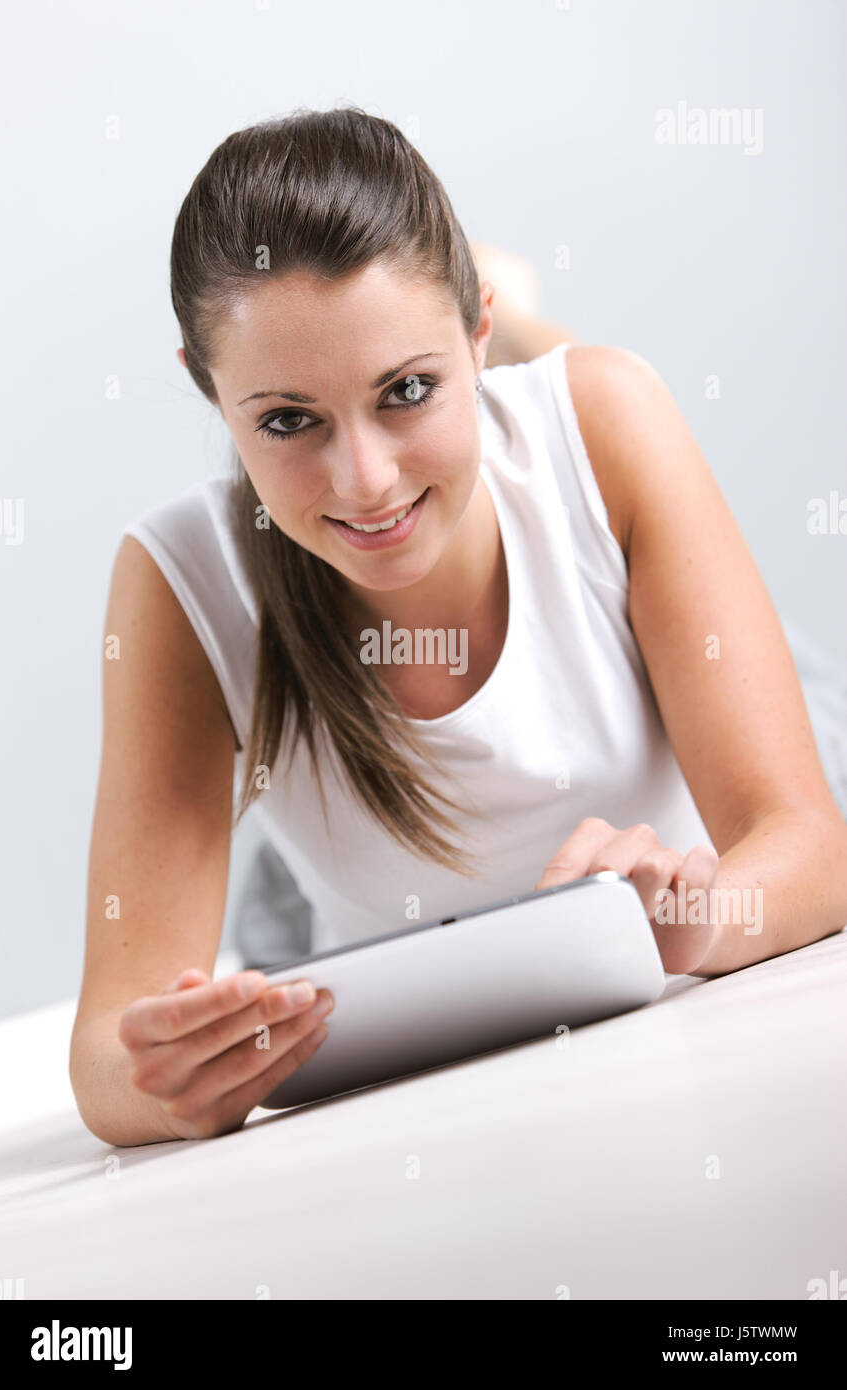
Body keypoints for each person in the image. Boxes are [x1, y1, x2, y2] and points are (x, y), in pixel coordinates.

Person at [69, 107, 847, 1148]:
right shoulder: (176, 580)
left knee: (605, 411)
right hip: (356, 889)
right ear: (211, 396)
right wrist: (170, 1076)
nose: (364, 481)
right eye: (287, 419)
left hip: (662, 713)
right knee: (287, 926)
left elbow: (808, 850)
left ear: (469, 333)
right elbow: (106, 1059)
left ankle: (529, 324)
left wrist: (687, 917)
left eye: (407, 389)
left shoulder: (605, 423)